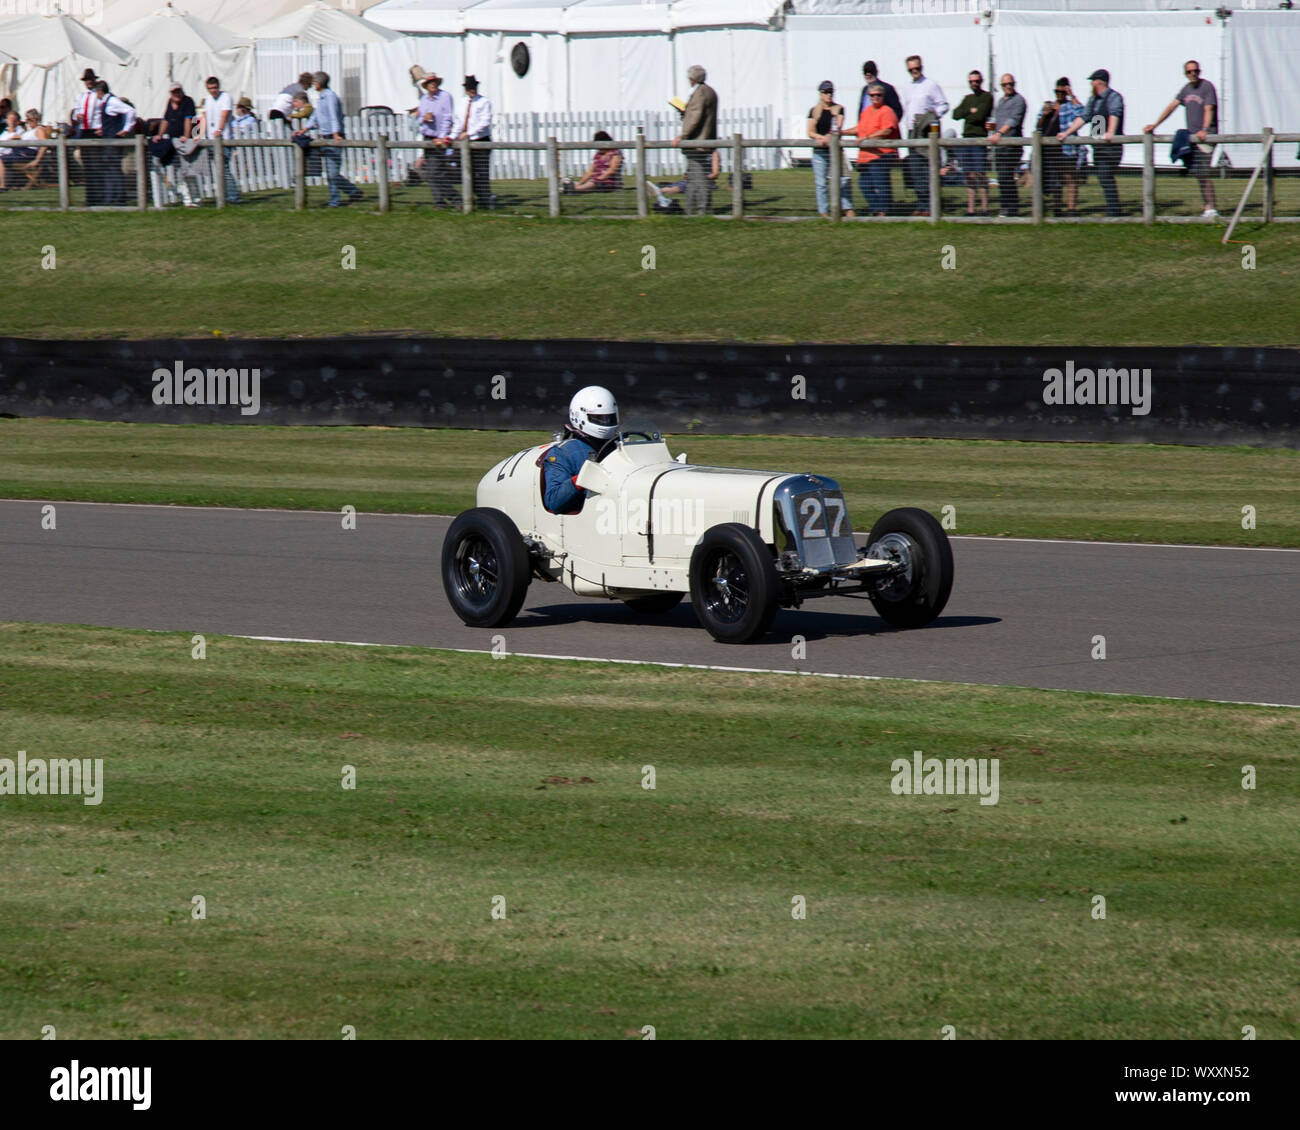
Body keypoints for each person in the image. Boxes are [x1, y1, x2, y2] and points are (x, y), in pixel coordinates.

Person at [1144, 60, 1218, 218]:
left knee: (1203, 173)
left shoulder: (1207, 87)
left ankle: (1211, 208)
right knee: (1199, 173)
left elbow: (1209, 108)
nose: (1193, 74)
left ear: (1199, 71)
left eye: (1195, 71)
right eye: (1189, 71)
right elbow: (1172, 106)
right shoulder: (1186, 89)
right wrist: (1155, 124)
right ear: (1185, 73)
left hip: (1206, 136)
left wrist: (1205, 129)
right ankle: (1208, 207)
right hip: (1192, 137)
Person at [542, 386, 620, 515]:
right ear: (579, 417)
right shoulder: (562, 453)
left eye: (609, 418)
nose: (606, 423)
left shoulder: (619, 445)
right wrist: (581, 479)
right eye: (599, 418)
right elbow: (553, 501)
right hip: (589, 517)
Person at [1061, 68, 1123, 217]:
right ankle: (1113, 209)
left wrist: (1110, 132)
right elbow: (1084, 117)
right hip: (1098, 146)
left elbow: (1114, 114)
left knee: (1105, 175)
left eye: (1093, 81)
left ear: (1099, 82)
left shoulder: (1114, 97)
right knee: (1103, 177)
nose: (1091, 84)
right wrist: (1067, 133)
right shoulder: (1093, 100)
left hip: (1111, 147)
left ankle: (1114, 211)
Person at [299, 71, 362, 208]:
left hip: (333, 137)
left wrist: (335, 133)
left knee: (333, 173)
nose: (313, 84)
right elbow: (315, 116)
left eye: (314, 82)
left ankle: (348, 194)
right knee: (330, 173)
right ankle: (339, 198)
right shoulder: (322, 97)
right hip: (325, 137)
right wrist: (305, 129)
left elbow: (334, 116)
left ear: (319, 83)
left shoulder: (330, 97)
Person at [899, 54, 948, 215]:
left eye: (917, 68)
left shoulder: (931, 85)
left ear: (922, 67)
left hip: (926, 132)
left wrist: (931, 116)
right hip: (912, 132)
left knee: (928, 169)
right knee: (915, 170)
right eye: (911, 69)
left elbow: (943, 105)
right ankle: (921, 205)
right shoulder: (907, 87)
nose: (914, 71)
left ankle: (930, 206)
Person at [842, 83, 898, 217]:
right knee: (864, 184)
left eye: (878, 95)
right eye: (872, 95)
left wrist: (867, 138)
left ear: (883, 96)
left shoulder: (887, 111)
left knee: (881, 184)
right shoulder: (866, 111)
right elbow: (859, 128)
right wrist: (843, 132)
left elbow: (887, 130)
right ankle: (877, 210)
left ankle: (885, 212)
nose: (875, 97)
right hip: (866, 156)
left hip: (880, 155)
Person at [673, 64, 717, 216]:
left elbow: (695, 117)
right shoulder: (710, 91)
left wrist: (682, 135)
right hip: (704, 139)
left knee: (699, 178)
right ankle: (691, 209)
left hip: (697, 141)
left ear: (692, 78)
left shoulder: (699, 93)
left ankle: (703, 210)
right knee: (692, 178)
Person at [807, 81, 854, 219]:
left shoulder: (839, 109)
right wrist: (820, 137)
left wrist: (829, 136)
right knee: (821, 183)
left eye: (831, 92)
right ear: (820, 93)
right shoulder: (814, 111)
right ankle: (823, 212)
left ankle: (847, 208)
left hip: (835, 151)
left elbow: (837, 127)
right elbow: (810, 131)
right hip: (820, 151)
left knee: (843, 179)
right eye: (826, 92)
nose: (829, 95)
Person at [951, 70, 992, 215]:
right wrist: (970, 111)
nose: (974, 84)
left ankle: (985, 209)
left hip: (979, 138)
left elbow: (980, 115)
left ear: (981, 81)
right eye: (971, 81)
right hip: (966, 139)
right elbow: (955, 114)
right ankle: (971, 209)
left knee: (980, 173)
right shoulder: (967, 99)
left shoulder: (987, 97)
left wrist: (969, 114)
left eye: (977, 81)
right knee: (969, 175)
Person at [91, 80, 137, 205]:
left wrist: (126, 129)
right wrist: (103, 129)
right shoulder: (106, 102)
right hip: (108, 139)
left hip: (113, 141)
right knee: (109, 168)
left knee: (114, 168)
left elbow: (130, 111)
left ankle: (118, 199)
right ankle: (110, 198)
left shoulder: (112, 101)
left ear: (100, 91)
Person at [415, 73, 457, 207]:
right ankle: (439, 202)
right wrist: (423, 119)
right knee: (432, 172)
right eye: (430, 83)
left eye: (434, 82)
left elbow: (447, 118)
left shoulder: (445, 97)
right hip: (427, 137)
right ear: (426, 86)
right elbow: (418, 118)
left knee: (435, 172)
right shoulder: (424, 99)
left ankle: (456, 199)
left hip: (439, 138)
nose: (432, 84)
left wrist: (442, 137)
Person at [198, 75, 242, 204]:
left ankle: (233, 197)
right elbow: (204, 117)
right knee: (219, 170)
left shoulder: (226, 97)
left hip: (223, 139)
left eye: (215, 88)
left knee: (224, 169)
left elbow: (224, 115)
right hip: (210, 139)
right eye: (210, 88)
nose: (213, 90)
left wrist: (220, 130)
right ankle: (227, 196)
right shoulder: (207, 100)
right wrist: (199, 134)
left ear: (219, 87)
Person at [988, 73, 1026, 217]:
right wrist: (992, 128)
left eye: (1010, 84)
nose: (1008, 86)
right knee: (1002, 177)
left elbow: (1013, 120)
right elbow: (997, 120)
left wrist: (999, 133)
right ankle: (1006, 207)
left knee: (1006, 176)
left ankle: (1011, 208)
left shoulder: (1019, 100)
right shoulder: (1001, 101)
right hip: (1000, 146)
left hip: (1012, 145)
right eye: (1005, 84)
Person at [455, 75, 495, 208]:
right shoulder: (463, 102)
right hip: (466, 142)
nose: (471, 90)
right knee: (467, 171)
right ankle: (473, 199)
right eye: (469, 88)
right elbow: (459, 122)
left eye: (473, 87)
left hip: (481, 140)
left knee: (481, 172)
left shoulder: (484, 102)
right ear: (465, 89)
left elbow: (484, 122)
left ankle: (486, 201)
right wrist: (453, 136)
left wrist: (469, 133)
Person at [71, 68, 104, 205]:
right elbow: (75, 112)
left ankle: (100, 197)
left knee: (96, 165)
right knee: (87, 165)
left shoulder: (100, 95)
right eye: (86, 80)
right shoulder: (81, 96)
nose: (89, 82)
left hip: (96, 130)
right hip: (84, 130)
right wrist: (77, 115)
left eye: (90, 79)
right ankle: (91, 197)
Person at [1054, 78, 1084, 216]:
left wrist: (1072, 95)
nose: (1059, 94)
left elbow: (1083, 113)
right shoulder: (1051, 106)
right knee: (1057, 180)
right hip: (1054, 151)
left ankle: (1071, 209)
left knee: (1070, 178)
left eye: (1062, 92)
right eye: (1057, 91)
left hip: (1069, 149)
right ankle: (1057, 208)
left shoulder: (1070, 106)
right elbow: (1039, 124)